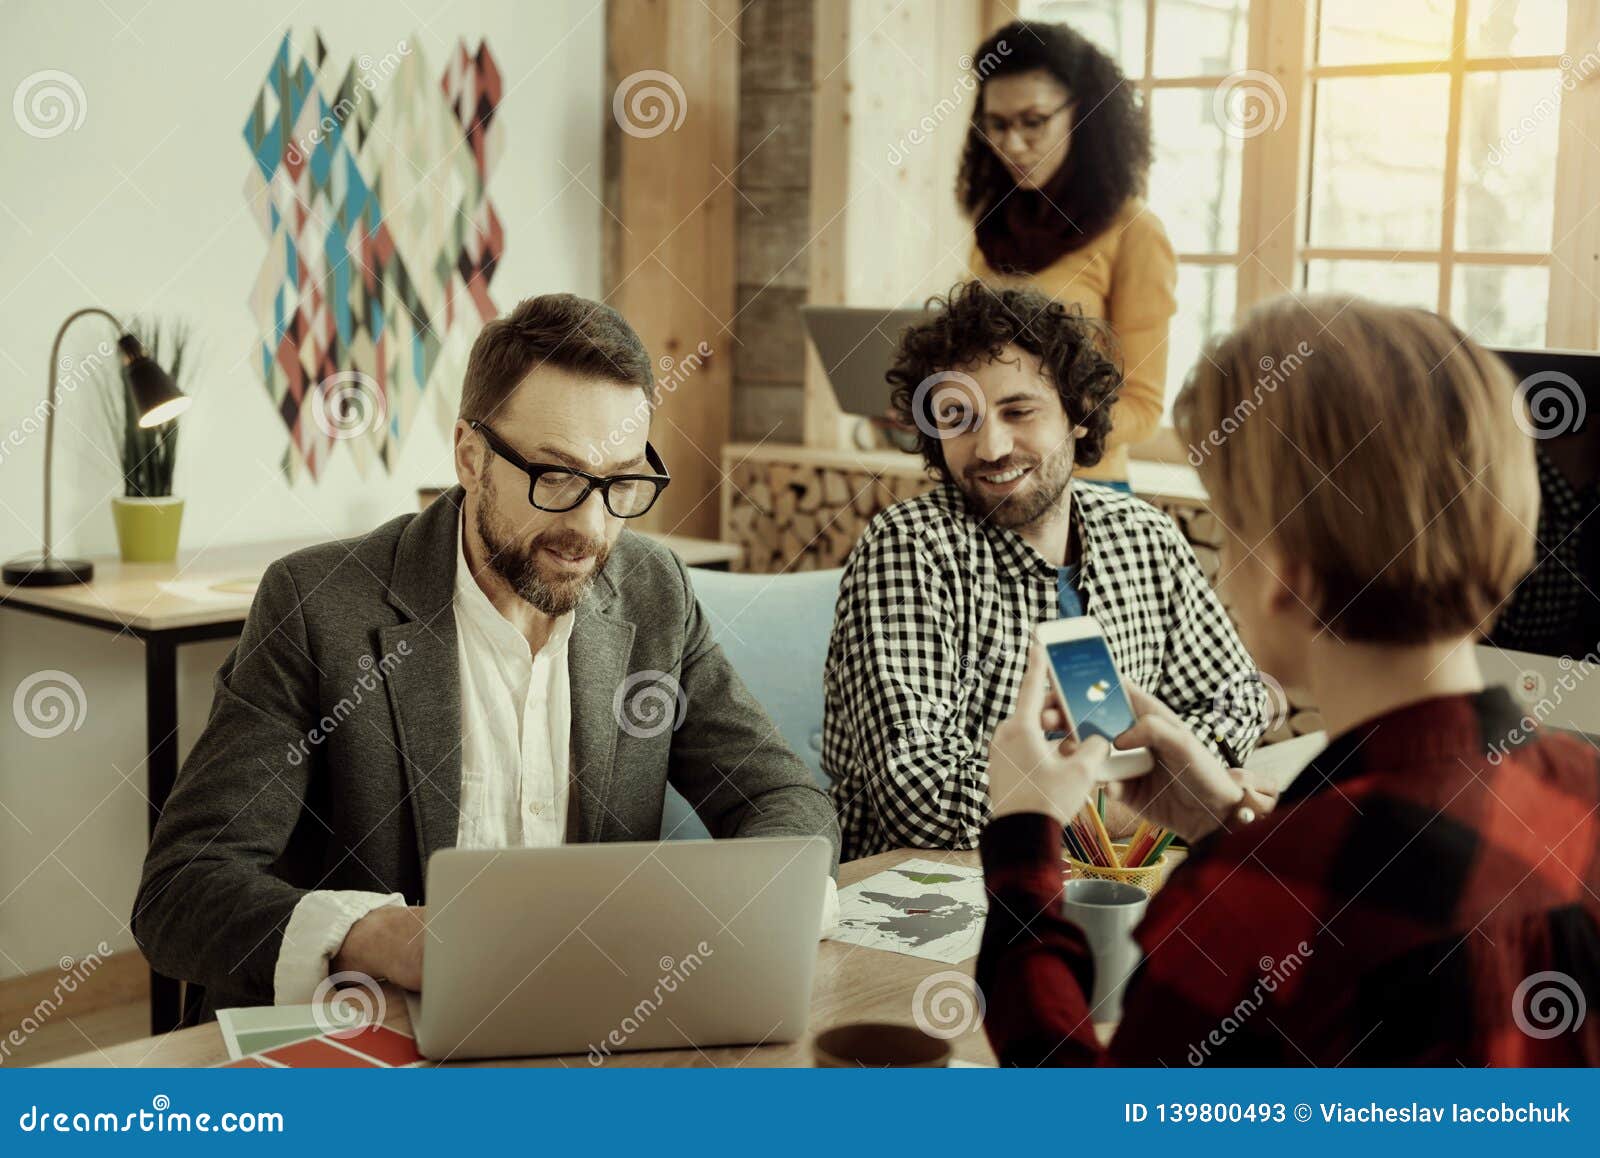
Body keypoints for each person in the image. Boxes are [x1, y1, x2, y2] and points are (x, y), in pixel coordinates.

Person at [133, 293, 839, 1016]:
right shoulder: (318, 607)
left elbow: (785, 800)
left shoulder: (653, 593)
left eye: (622, 481)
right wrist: (378, 937)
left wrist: (735, 910)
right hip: (376, 1039)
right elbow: (183, 888)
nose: (591, 529)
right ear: (471, 457)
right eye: (557, 476)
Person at [979, 294, 1600, 1065]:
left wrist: (1021, 842)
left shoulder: (1246, 905)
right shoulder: (1584, 790)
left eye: (1229, 525)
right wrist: (1230, 817)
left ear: (1283, 573)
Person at [824, 281, 1266, 863]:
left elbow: (1236, 697)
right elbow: (918, 795)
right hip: (939, 899)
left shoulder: (1146, 535)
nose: (991, 447)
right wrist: (1144, 801)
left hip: (1116, 883)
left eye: (1018, 410)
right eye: (960, 418)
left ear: (1078, 415)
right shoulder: (910, 547)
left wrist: (1135, 785)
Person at [960, 20, 1176, 490]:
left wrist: (1038, 428)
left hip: (1087, 494)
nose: (1013, 144)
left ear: (1081, 115)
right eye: (996, 124)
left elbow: (1142, 408)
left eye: (1033, 122)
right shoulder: (991, 229)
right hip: (989, 485)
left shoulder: (1135, 232)